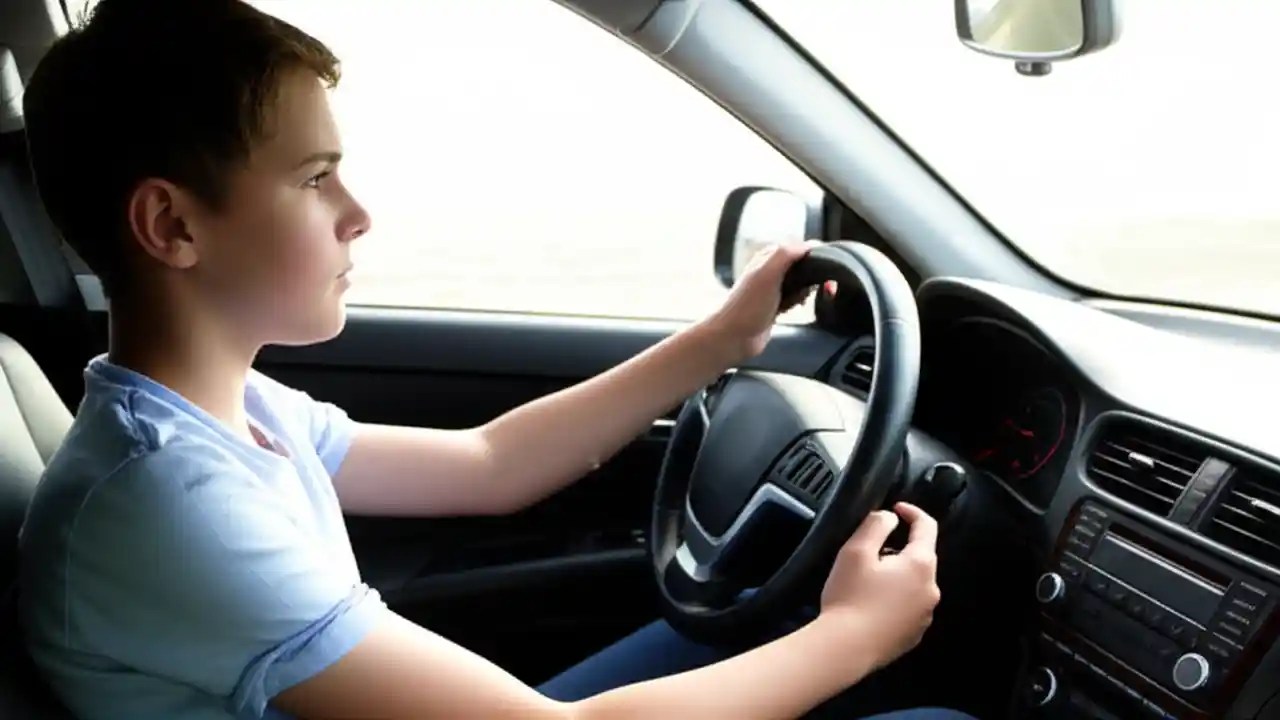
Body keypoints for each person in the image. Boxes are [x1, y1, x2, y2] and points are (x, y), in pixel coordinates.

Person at [15, 1, 975, 718]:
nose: (358, 212)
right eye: (314, 180)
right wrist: (855, 637)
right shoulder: (169, 503)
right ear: (172, 226)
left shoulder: (224, 412)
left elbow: (491, 465)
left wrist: (724, 340)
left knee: (749, 627)